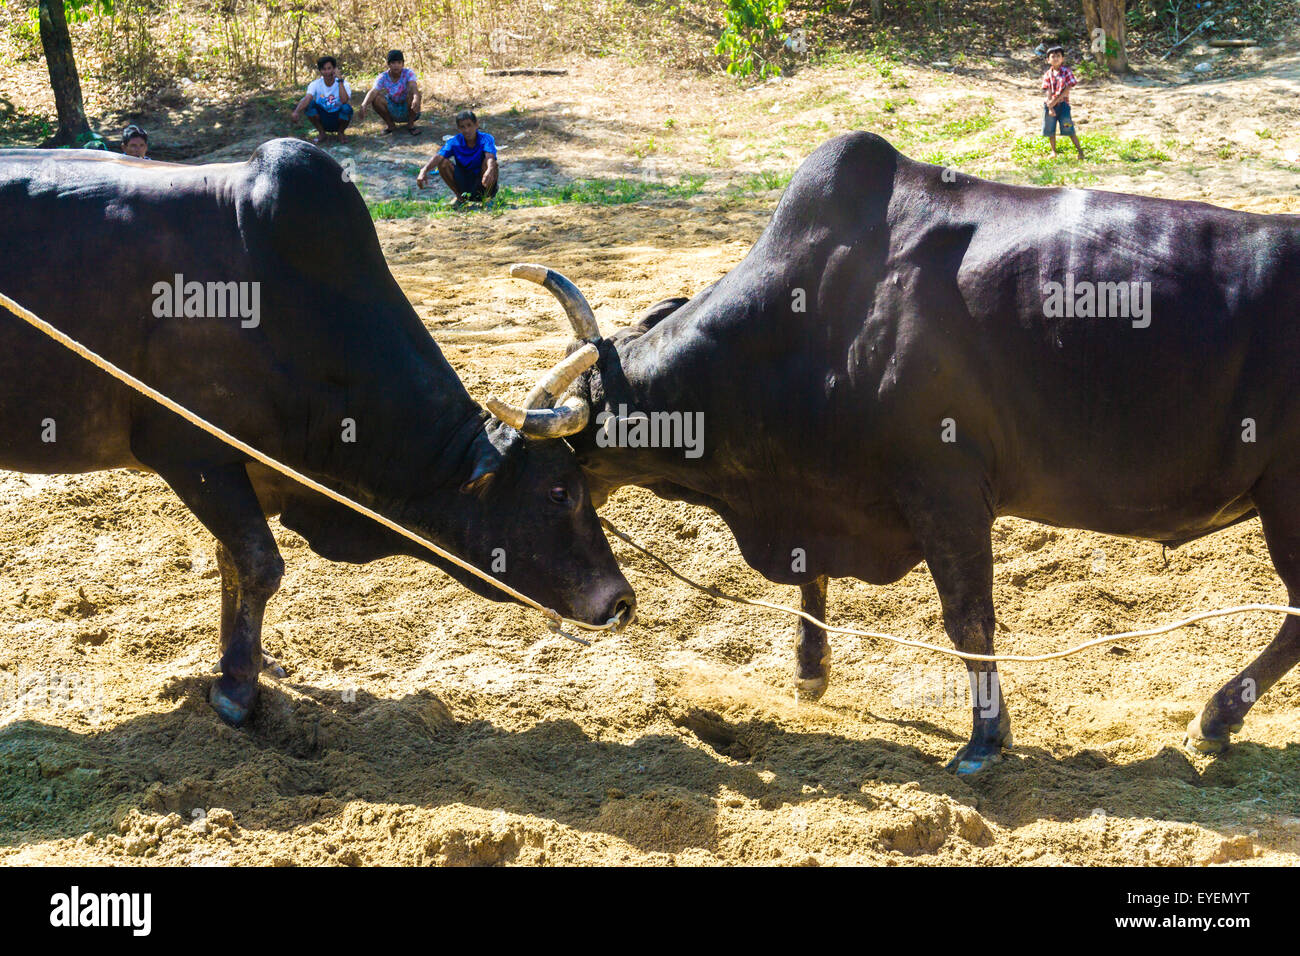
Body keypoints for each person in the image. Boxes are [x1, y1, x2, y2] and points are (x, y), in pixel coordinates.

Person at [416, 110, 498, 206]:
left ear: (476, 125)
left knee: (491, 164)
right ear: (458, 129)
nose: (467, 130)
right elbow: (439, 156)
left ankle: (487, 198)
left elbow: (490, 157)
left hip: (482, 180)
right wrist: (424, 170)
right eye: (462, 127)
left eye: (469, 125)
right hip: (464, 181)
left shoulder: (486, 138)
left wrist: (489, 170)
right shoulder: (454, 141)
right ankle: (460, 197)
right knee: (443, 163)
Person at [358, 50, 422, 135]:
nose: (396, 66)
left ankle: (411, 125)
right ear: (388, 64)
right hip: (393, 107)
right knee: (376, 99)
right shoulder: (383, 77)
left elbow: (413, 86)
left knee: (415, 94)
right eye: (393, 63)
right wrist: (364, 105)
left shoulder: (408, 73)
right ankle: (390, 125)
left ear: (403, 64)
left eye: (399, 62)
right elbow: (373, 91)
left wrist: (416, 98)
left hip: (408, 107)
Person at [292, 55, 353, 144]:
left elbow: (344, 101)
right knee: (310, 105)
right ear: (320, 71)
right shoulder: (315, 84)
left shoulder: (344, 84)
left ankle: (340, 132)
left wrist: (340, 80)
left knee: (346, 108)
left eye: (329, 68)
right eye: (324, 69)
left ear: (334, 69)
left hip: (337, 117)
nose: (327, 72)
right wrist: (296, 111)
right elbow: (307, 98)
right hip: (323, 116)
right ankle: (321, 132)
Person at [1041, 45, 1085, 159]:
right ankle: (1053, 151)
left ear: (1062, 58)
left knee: (1068, 127)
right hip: (1050, 105)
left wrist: (1054, 101)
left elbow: (1067, 89)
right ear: (1048, 60)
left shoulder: (1066, 71)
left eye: (1058, 56)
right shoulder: (1047, 74)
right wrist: (1050, 107)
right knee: (1050, 129)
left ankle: (1080, 151)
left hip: (1063, 105)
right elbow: (1048, 90)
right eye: (1053, 56)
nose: (1055, 58)